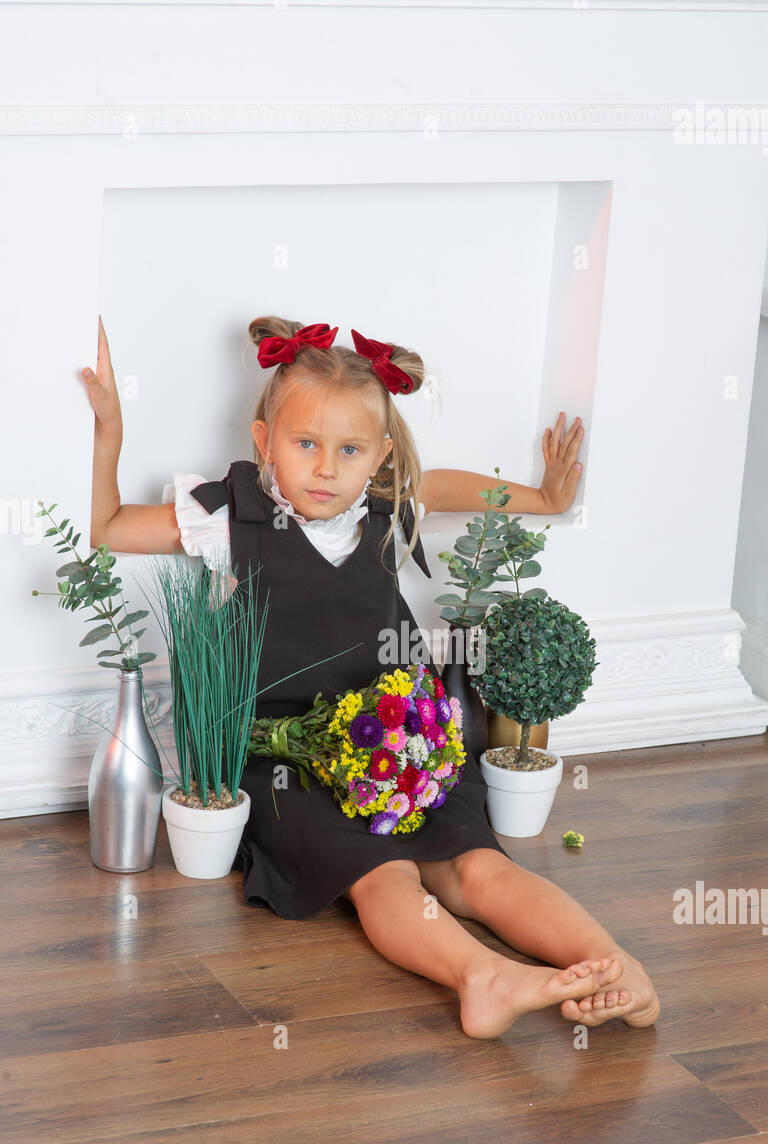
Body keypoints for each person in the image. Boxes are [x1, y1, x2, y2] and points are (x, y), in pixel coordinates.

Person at [83, 314, 660, 1038]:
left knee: (476, 867)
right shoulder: (231, 519)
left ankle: (611, 965)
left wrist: (544, 498)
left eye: (349, 449)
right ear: (264, 442)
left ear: (378, 456)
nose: (326, 468)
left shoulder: (384, 511)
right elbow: (108, 527)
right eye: (304, 445)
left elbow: (449, 487)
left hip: (404, 749)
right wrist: (109, 430)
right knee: (384, 876)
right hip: (278, 760)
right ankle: (480, 976)